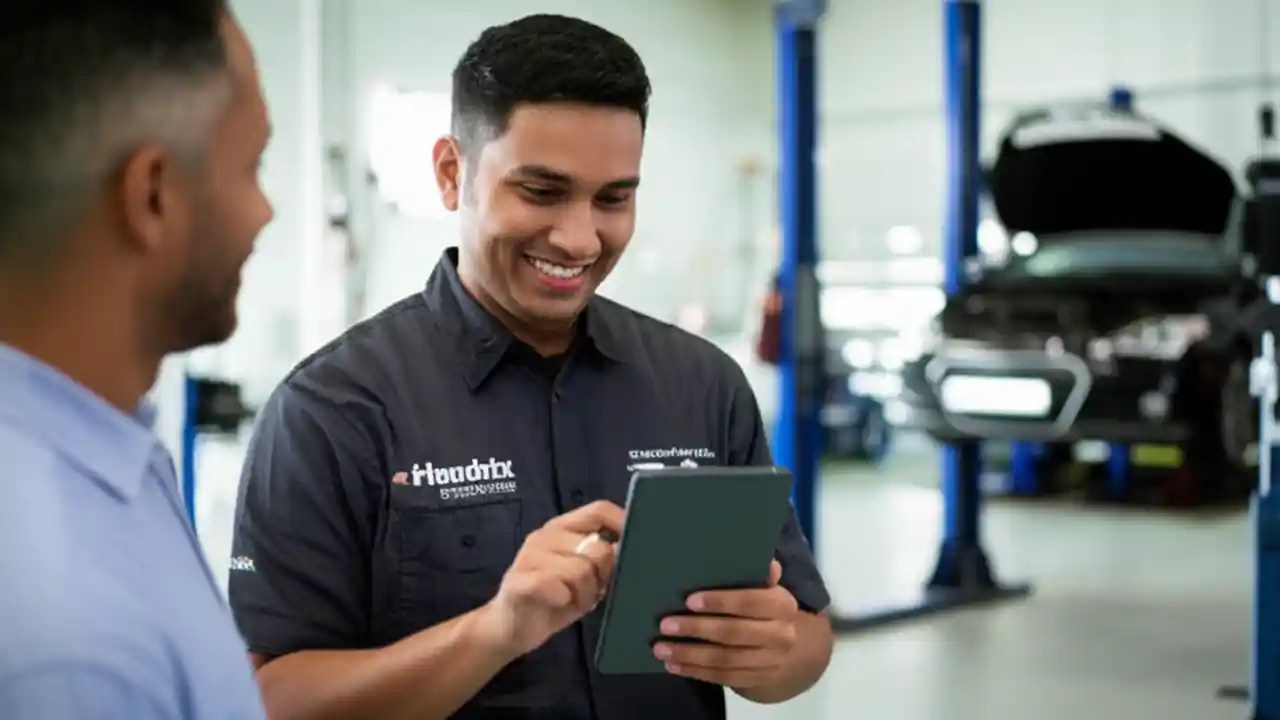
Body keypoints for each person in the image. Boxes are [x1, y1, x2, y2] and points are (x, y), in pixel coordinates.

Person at [229, 13, 834, 720]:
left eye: (614, 198)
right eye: (541, 192)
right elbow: (265, 699)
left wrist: (770, 653)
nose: (580, 238)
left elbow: (808, 635)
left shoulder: (702, 385)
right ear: (453, 174)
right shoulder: (333, 410)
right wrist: (494, 632)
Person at [0, 2, 274, 717]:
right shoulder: (71, 641)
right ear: (152, 194)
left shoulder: (103, 459)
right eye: (251, 168)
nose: (264, 212)